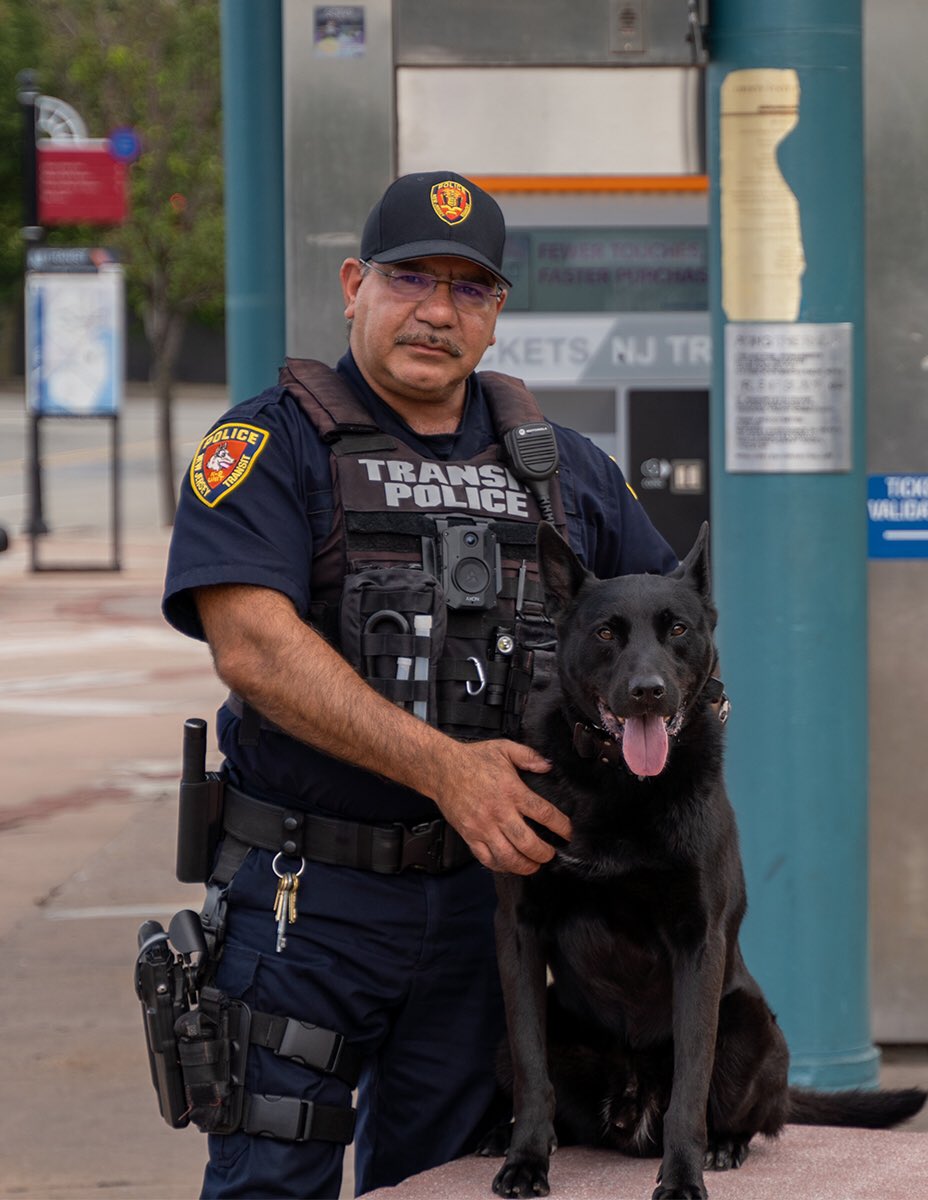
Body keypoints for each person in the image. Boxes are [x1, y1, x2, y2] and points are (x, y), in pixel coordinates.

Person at [162, 171, 679, 1197]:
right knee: (272, 1177)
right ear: (354, 285)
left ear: (495, 315)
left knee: (447, 1183)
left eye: (469, 289)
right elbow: (255, 647)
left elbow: (671, 635)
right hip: (306, 907)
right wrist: (449, 771)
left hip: (490, 913)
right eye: (409, 280)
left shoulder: (567, 470)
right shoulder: (268, 446)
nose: (436, 311)